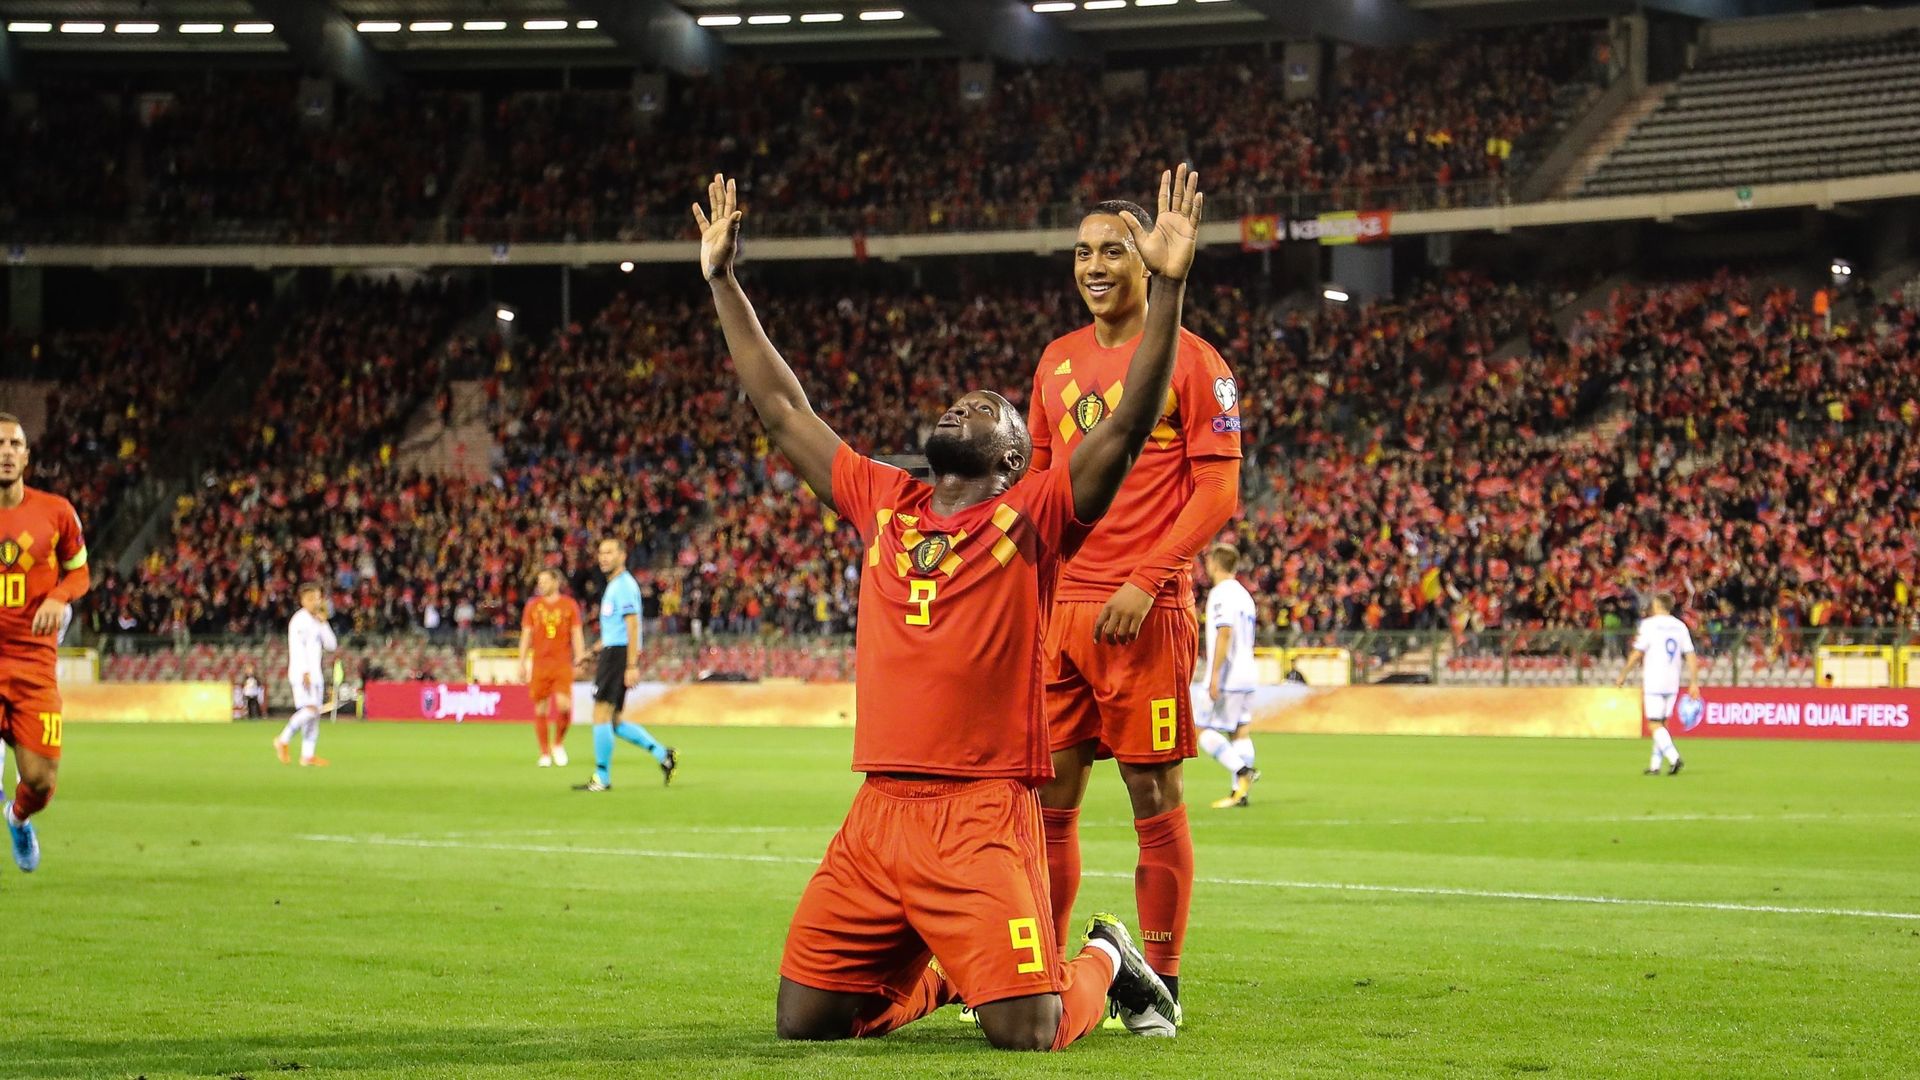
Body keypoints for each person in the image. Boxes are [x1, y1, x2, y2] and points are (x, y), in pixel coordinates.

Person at [695, 164, 1200, 1050]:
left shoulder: (1036, 514)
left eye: (994, 410)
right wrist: (724, 281)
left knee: (1028, 1032)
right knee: (807, 1021)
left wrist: (1169, 287)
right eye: (961, 402)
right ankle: (945, 975)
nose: (970, 403)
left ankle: (1105, 959)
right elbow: (781, 409)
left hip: (978, 811)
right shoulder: (882, 498)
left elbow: (1124, 427)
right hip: (878, 811)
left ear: (1016, 458)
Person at [1025, 189, 1243, 1016]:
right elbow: (1042, 485)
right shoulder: (1055, 360)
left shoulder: (1195, 361)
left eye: (1112, 250)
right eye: (1082, 253)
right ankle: (1039, 972)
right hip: (1061, 614)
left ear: (1148, 260)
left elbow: (1219, 491)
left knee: (1153, 797)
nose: (1094, 267)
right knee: (1049, 801)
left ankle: (1164, 980)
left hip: (1145, 615)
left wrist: (1147, 578)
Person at [0, 413, 91, 874]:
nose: (6, 451)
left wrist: (58, 596)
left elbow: (80, 572)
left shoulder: (56, 512)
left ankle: (17, 818)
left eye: (14, 443)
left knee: (39, 782)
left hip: (33, 663)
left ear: (27, 455)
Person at [575, 538, 676, 791]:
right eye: (600, 552)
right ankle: (663, 754)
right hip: (612, 651)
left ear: (623, 555)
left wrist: (631, 665)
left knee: (600, 714)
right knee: (615, 721)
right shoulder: (614, 587)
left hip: (618, 656)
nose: (603, 557)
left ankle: (602, 778)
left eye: (609, 552)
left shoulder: (624, 586)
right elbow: (614, 630)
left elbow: (632, 626)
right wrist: (592, 651)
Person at [1195, 544, 1260, 809]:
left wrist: (1214, 675)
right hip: (1248, 673)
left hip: (1229, 675)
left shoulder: (1221, 594)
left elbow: (1225, 632)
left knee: (1200, 728)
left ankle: (1243, 770)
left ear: (1214, 564)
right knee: (1240, 732)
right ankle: (1240, 792)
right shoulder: (1245, 595)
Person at [1616, 591, 1697, 776]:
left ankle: (1674, 757)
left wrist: (1623, 673)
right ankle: (1655, 766)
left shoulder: (1649, 625)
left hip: (1654, 679)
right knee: (1662, 724)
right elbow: (1691, 654)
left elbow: (1637, 653)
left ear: (1659, 606)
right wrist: (1694, 682)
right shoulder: (1680, 626)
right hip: (1673, 680)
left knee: (1654, 724)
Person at [520, 568, 586, 768]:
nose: (541, 584)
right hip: (540, 663)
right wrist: (522, 661)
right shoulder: (533, 606)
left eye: (545, 581)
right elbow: (526, 634)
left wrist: (580, 658)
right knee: (541, 707)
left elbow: (576, 633)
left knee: (564, 705)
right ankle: (544, 752)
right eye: (539, 581)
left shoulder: (569, 605)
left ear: (556, 582)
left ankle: (558, 743)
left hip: (562, 662)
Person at [274, 583, 337, 767]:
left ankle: (307, 755)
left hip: (316, 674)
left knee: (314, 715)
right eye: (311, 598)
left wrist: (324, 623)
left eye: (317, 597)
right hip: (302, 673)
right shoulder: (299, 621)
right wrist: (304, 672)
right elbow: (298, 649)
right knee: (310, 710)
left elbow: (332, 645)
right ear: (302, 601)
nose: (315, 601)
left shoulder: (318, 621)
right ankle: (283, 740)